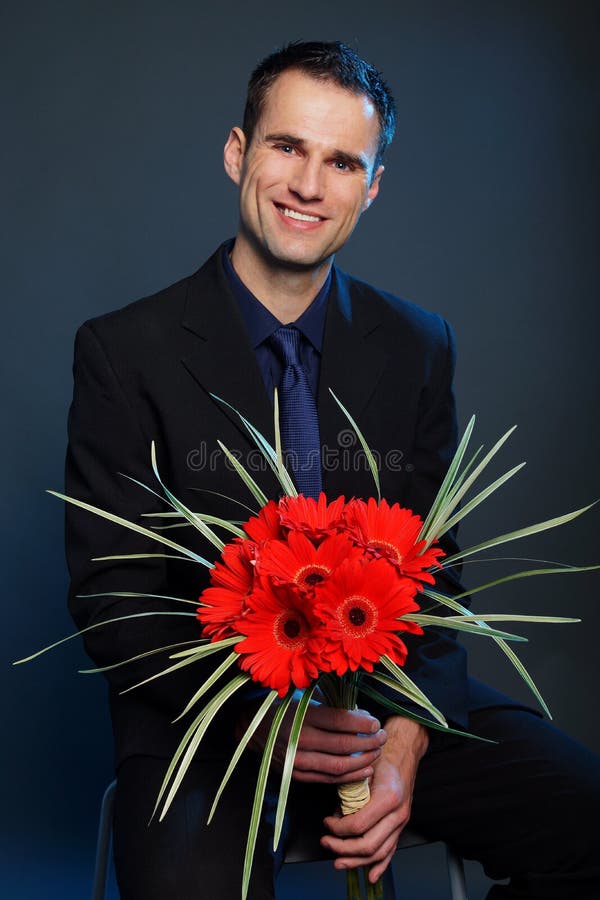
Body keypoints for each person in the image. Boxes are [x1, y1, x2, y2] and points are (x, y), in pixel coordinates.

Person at [64, 41, 600, 899]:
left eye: (342, 161)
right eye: (287, 147)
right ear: (238, 152)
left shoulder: (419, 344)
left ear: (371, 186)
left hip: (384, 704)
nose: (310, 185)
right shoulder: (126, 351)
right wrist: (262, 725)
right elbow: (113, 599)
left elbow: (438, 576)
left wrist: (406, 739)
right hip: (206, 725)